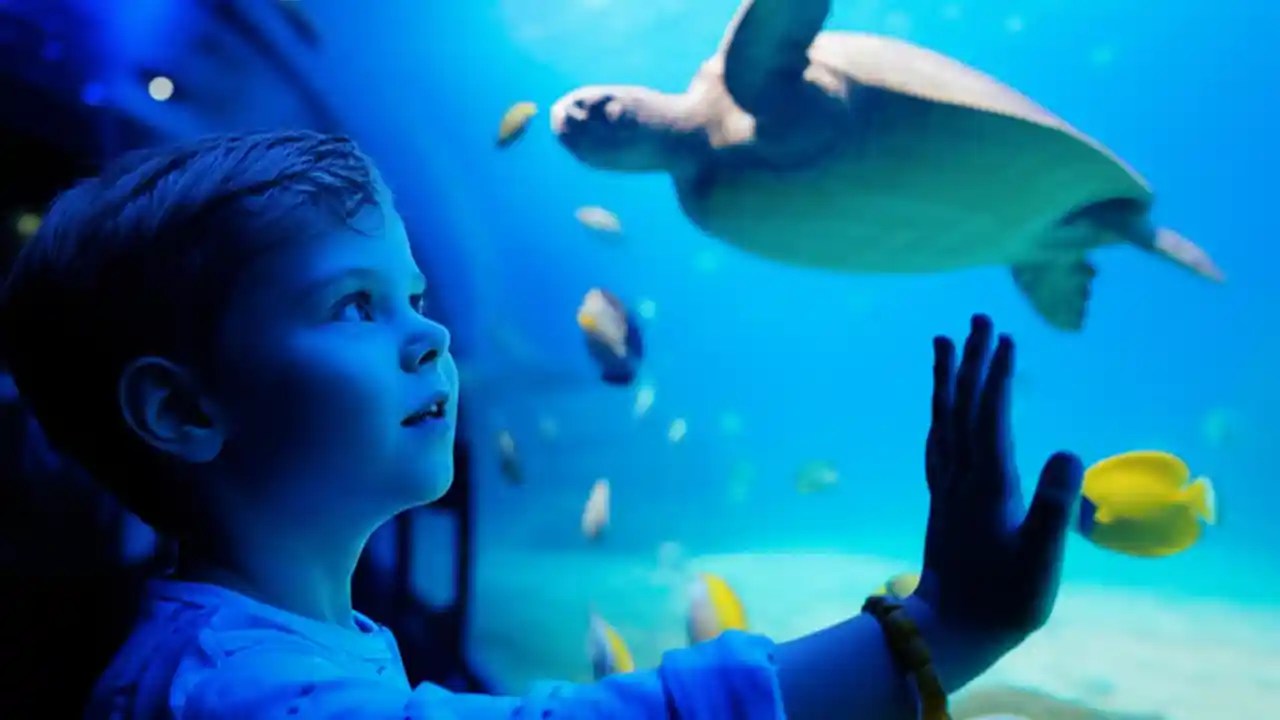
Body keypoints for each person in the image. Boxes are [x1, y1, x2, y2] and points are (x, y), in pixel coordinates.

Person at [0, 130, 1085, 719]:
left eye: (417, 297)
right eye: (354, 306)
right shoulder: (235, 691)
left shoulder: (272, 646)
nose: (429, 338)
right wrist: (937, 626)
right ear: (185, 409)